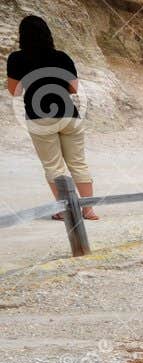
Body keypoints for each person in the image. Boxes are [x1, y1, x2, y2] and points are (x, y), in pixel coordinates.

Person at [6, 14, 96, 218]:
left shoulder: (17, 58)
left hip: (39, 117)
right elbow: (73, 89)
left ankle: (64, 211)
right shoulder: (61, 57)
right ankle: (88, 209)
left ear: (22, 36)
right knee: (78, 162)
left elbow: (15, 92)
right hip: (68, 115)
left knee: (53, 165)